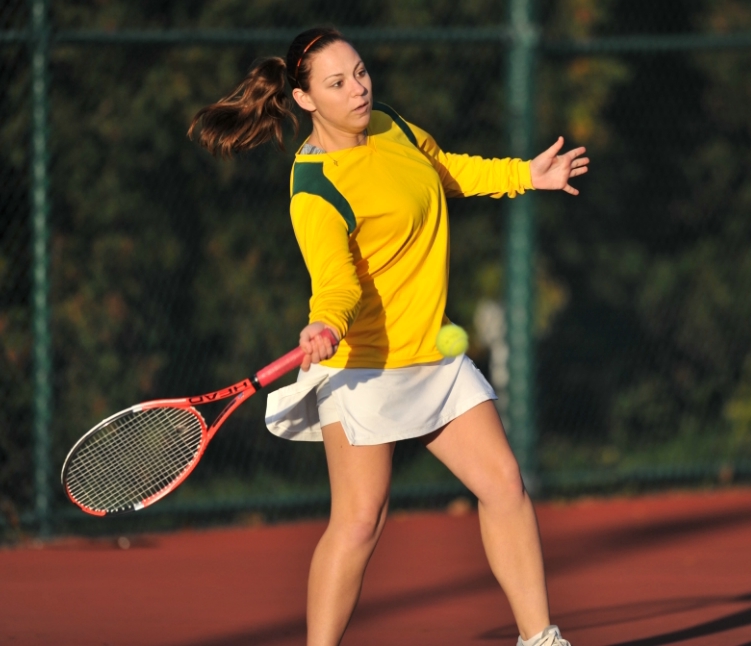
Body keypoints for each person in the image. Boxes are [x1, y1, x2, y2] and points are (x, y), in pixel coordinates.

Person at [189, 26, 588, 646]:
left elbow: (441, 170)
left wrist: (524, 176)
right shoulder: (315, 186)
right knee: (359, 524)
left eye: (360, 72)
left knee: (504, 484)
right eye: (337, 83)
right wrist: (326, 322)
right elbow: (336, 280)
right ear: (305, 100)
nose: (358, 89)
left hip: (432, 350)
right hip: (362, 368)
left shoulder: (392, 125)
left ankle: (540, 639)